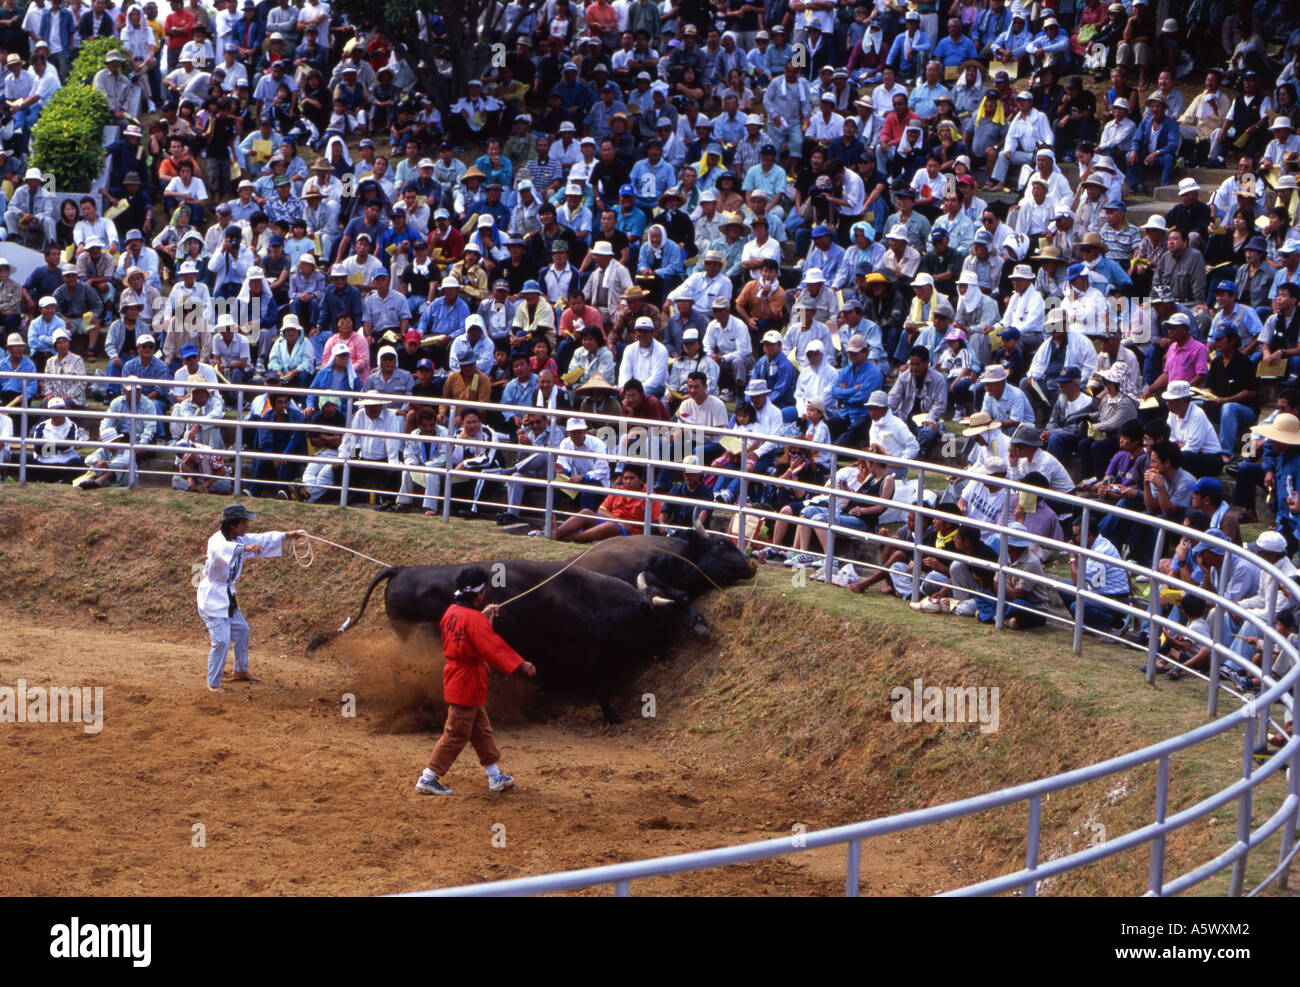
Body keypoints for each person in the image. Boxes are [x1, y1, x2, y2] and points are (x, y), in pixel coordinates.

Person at [415, 566, 537, 796]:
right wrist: (521, 663)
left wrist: (483, 616)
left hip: (459, 677)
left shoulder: (451, 611)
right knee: (456, 733)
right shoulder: (473, 619)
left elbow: (467, 627)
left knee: (480, 730)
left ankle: (494, 776)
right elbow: (492, 646)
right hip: (467, 681)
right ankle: (428, 777)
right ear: (479, 594)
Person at [196, 503, 307, 694]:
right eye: (244, 522)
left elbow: (262, 539)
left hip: (227, 596)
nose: (247, 526)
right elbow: (222, 552)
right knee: (221, 641)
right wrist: (245, 547)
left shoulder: (239, 538)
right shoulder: (217, 541)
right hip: (212, 598)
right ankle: (213, 683)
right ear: (233, 524)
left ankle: (240, 670)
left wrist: (287, 535)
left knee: (242, 630)